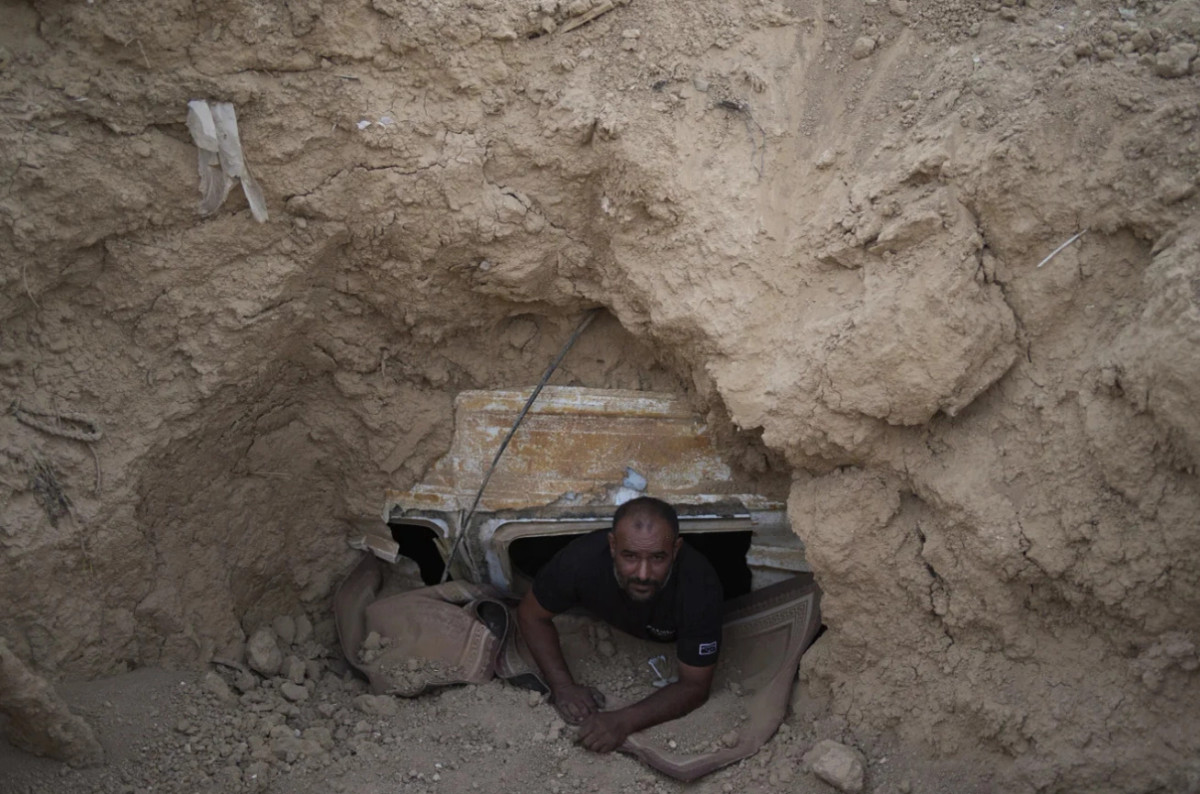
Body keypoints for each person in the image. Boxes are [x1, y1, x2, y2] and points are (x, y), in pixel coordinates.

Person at [516, 496, 723, 753]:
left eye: (658, 558)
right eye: (630, 556)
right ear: (612, 546)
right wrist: (563, 686)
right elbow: (531, 614)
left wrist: (622, 721)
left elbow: (695, 686)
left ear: (676, 549)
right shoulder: (581, 561)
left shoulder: (699, 586)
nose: (643, 574)